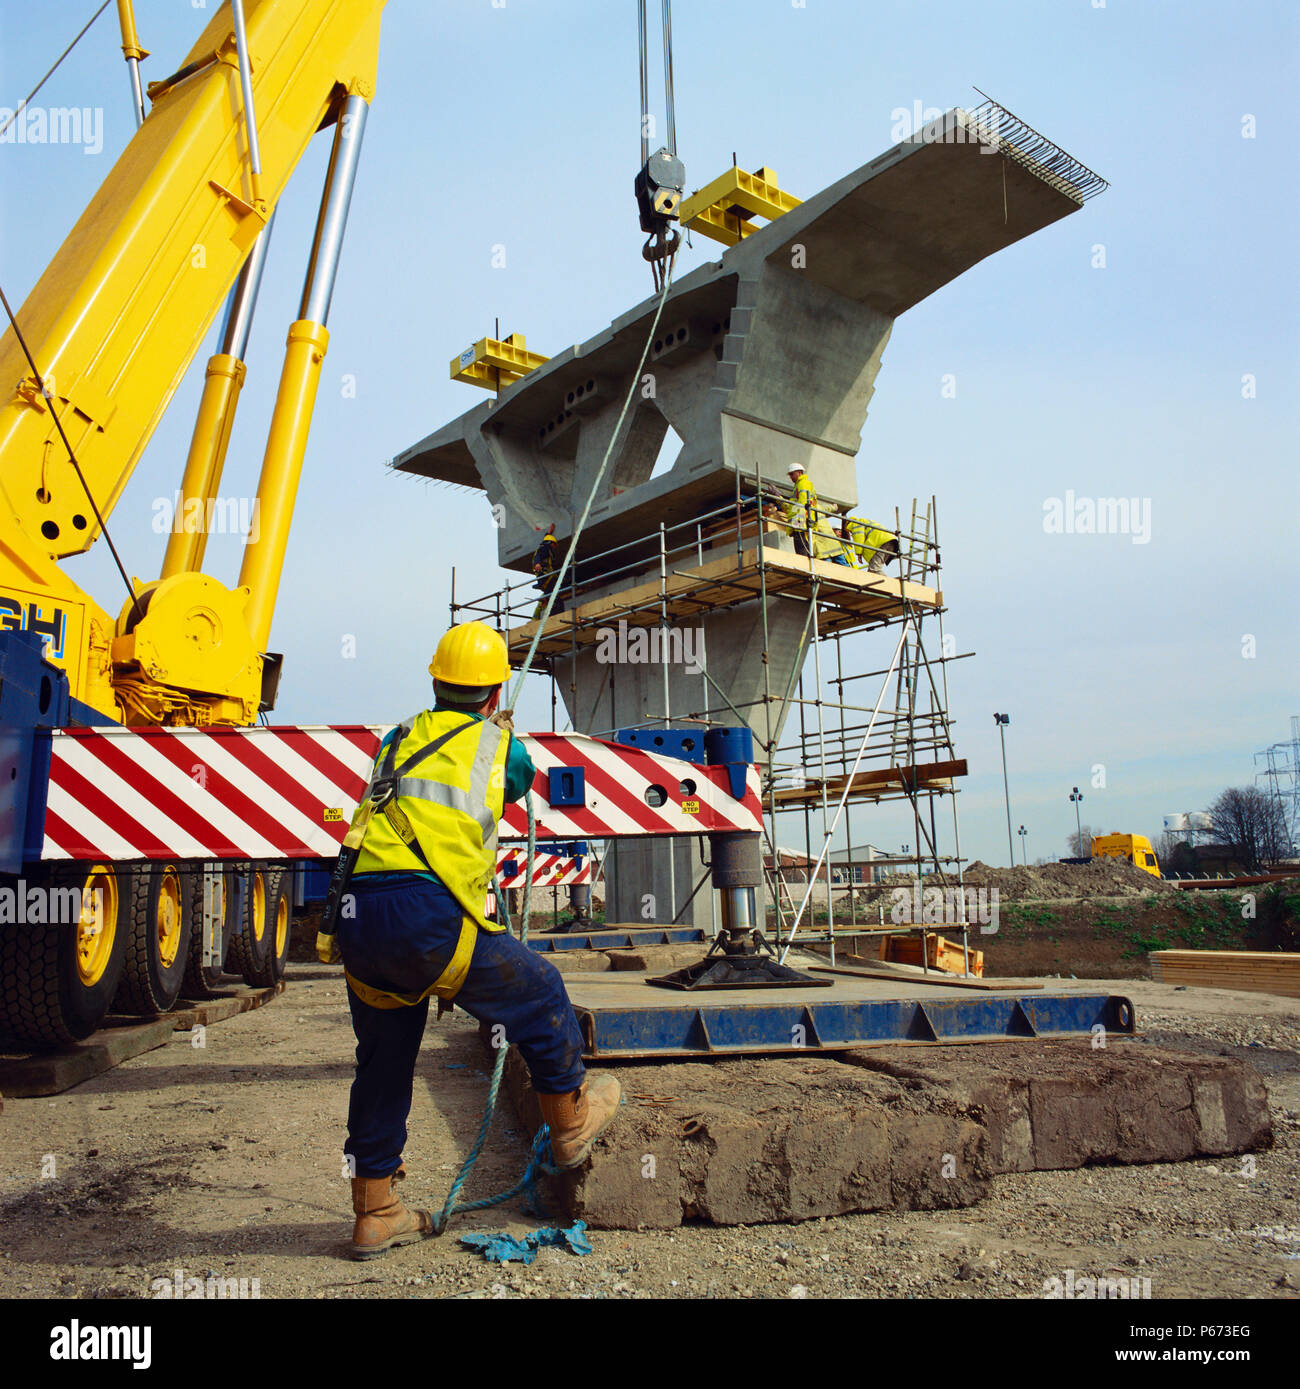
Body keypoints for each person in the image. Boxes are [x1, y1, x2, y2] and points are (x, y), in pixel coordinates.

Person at [335, 621, 621, 1259]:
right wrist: (502, 733)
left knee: (382, 1062)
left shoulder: (398, 737)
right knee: (541, 990)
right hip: (424, 913)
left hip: (358, 913)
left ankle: (374, 1211)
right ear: (495, 693)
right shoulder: (499, 743)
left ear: (435, 680)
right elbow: (516, 782)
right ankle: (570, 1127)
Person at [532, 522, 559, 618]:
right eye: (554, 545)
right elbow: (538, 556)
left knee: (551, 594)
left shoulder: (545, 546)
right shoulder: (545, 548)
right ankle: (553, 612)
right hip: (545, 576)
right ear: (550, 543)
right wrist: (537, 563)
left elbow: (546, 538)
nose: (554, 547)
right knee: (552, 595)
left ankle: (551, 610)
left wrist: (549, 532)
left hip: (546, 576)